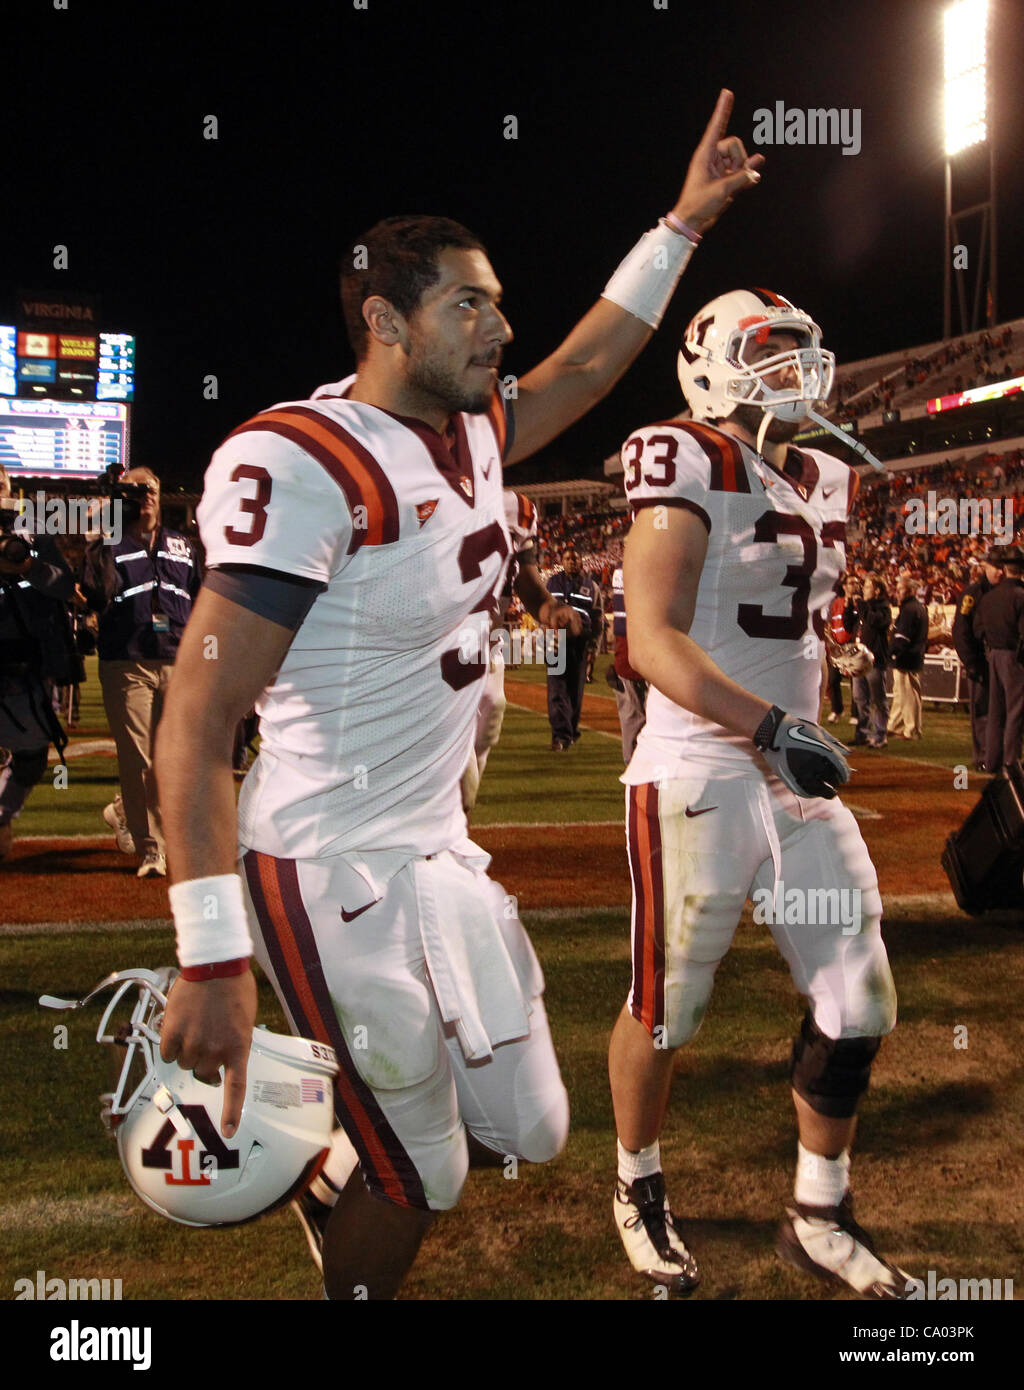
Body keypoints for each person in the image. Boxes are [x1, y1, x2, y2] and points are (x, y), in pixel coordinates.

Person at [153, 90, 765, 1301]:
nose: (500, 325)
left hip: (435, 844)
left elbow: (586, 363)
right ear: (385, 321)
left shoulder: (474, 426)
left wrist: (682, 225)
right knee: (419, 1172)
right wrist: (211, 956)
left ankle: (329, 1157)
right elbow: (198, 717)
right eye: (469, 305)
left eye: (495, 300)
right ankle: (357, 1186)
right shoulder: (307, 461)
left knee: (529, 1127)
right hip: (323, 855)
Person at [608, 287, 912, 1300]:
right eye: (769, 351)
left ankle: (818, 1212)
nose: (794, 367)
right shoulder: (684, 453)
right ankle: (636, 1184)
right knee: (667, 1006)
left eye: (798, 350)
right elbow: (651, 639)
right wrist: (773, 724)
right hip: (698, 766)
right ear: (710, 365)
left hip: (793, 773)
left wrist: (803, 711)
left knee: (858, 997)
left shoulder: (823, 474)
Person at [81, 468, 202, 877]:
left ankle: (123, 809)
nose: (144, 495)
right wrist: (100, 533)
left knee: (173, 759)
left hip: (177, 660)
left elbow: (199, 598)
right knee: (138, 759)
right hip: (127, 661)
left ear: (160, 493)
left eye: (149, 488)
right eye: (134, 490)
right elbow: (95, 594)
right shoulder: (109, 541)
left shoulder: (183, 544)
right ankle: (153, 847)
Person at [461, 489, 582, 810]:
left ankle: (452, 826)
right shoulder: (418, 490)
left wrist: (550, 608)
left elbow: (527, 583)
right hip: (433, 655)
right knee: (460, 780)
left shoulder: (516, 509)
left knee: (490, 721)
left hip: (487, 653)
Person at [0, 462, 77, 860]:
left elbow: (65, 585)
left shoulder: (33, 528)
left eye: (0, 482)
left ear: (11, 489)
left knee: (32, 756)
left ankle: (2, 815)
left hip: (24, 661)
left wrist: (28, 566)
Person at [545, 548, 601, 750]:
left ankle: (571, 730)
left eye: (575, 559)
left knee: (575, 691)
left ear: (581, 562)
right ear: (562, 561)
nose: (571, 562)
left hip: (580, 642)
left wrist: (594, 647)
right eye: (568, 558)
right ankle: (561, 736)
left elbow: (597, 618)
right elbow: (543, 609)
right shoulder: (551, 582)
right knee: (556, 689)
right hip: (556, 641)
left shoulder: (591, 586)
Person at [974, 546, 1024, 775]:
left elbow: (978, 630)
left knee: (995, 710)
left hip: (993, 655)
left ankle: (992, 760)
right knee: (1016, 710)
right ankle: (1011, 761)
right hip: (1014, 657)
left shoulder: (989, 597)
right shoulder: (1020, 596)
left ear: (1005, 568)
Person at [952, 555, 1000, 771]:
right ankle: (983, 756)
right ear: (985, 567)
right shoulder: (972, 593)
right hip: (980, 659)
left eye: (1002, 567)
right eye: (995, 567)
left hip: (1001, 659)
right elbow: (961, 630)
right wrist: (971, 662)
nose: (1000, 572)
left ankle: (999, 755)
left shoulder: (1007, 591)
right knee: (982, 710)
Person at [609, 563, 647, 763]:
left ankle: (635, 772)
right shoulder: (639, 567)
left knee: (632, 722)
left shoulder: (622, 570)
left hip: (627, 657)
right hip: (645, 658)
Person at [886, 576, 928, 740]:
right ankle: (894, 725)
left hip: (907, 657)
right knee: (900, 693)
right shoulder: (915, 607)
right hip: (911, 656)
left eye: (900, 590)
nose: (896, 593)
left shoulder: (909, 609)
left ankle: (912, 729)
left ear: (910, 591)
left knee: (909, 694)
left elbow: (902, 637)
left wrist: (892, 651)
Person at [852, 575, 891, 748]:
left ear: (877, 590)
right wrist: (848, 608)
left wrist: (862, 605)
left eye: (867, 586)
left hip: (875, 660)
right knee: (860, 698)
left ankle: (880, 735)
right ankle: (863, 733)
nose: (863, 589)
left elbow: (874, 621)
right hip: (859, 660)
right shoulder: (863, 607)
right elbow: (850, 625)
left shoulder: (883, 607)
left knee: (878, 699)